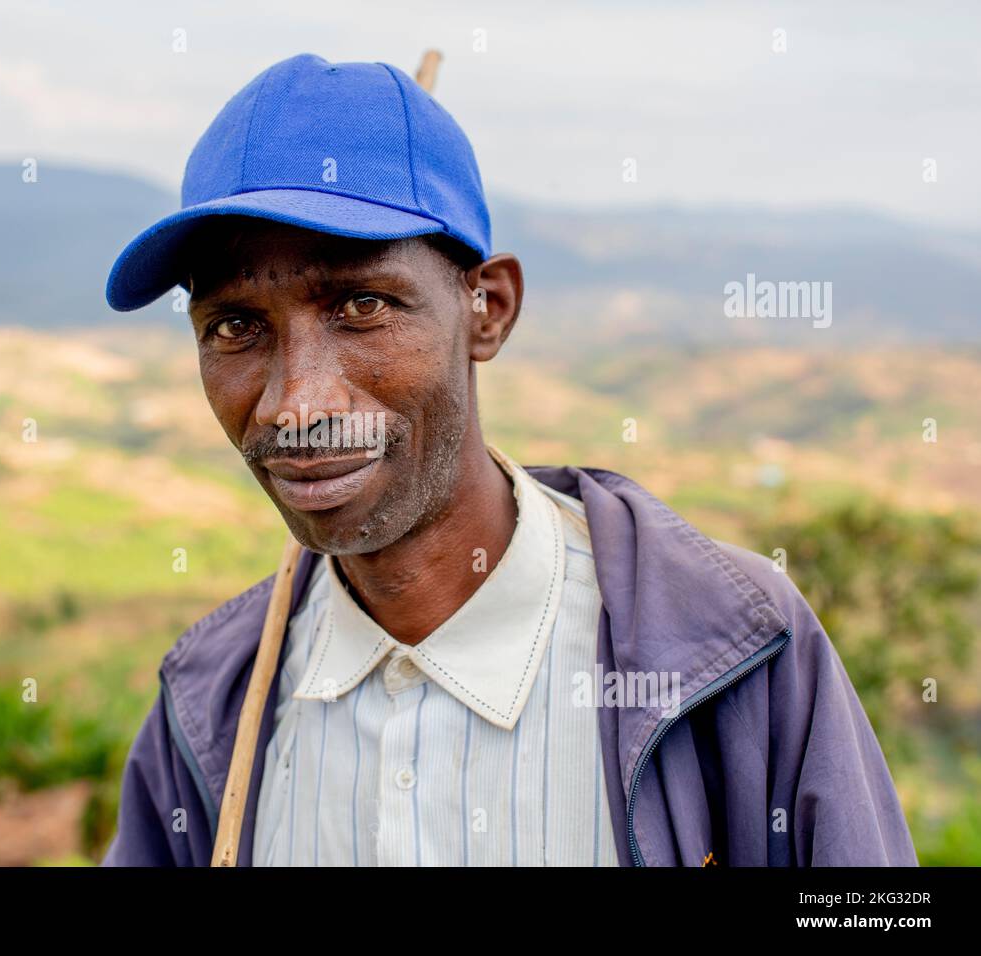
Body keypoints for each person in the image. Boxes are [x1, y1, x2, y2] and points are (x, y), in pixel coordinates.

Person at [99, 53, 916, 866]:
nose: (296, 406)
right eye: (236, 326)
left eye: (361, 305)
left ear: (487, 309)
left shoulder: (730, 652)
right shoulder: (211, 715)